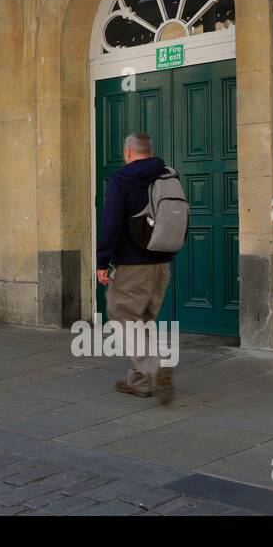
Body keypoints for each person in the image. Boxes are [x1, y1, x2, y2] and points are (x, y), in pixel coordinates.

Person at [96, 131, 177, 404]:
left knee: (122, 315)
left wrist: (102, 261)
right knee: (141, 320)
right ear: (149, 151)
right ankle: (140, 382)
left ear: (128, 152)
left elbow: (111, 224)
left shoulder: (122, 179)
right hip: (162, 262)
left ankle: (155, 368)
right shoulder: (167, 175)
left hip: (133, 265)